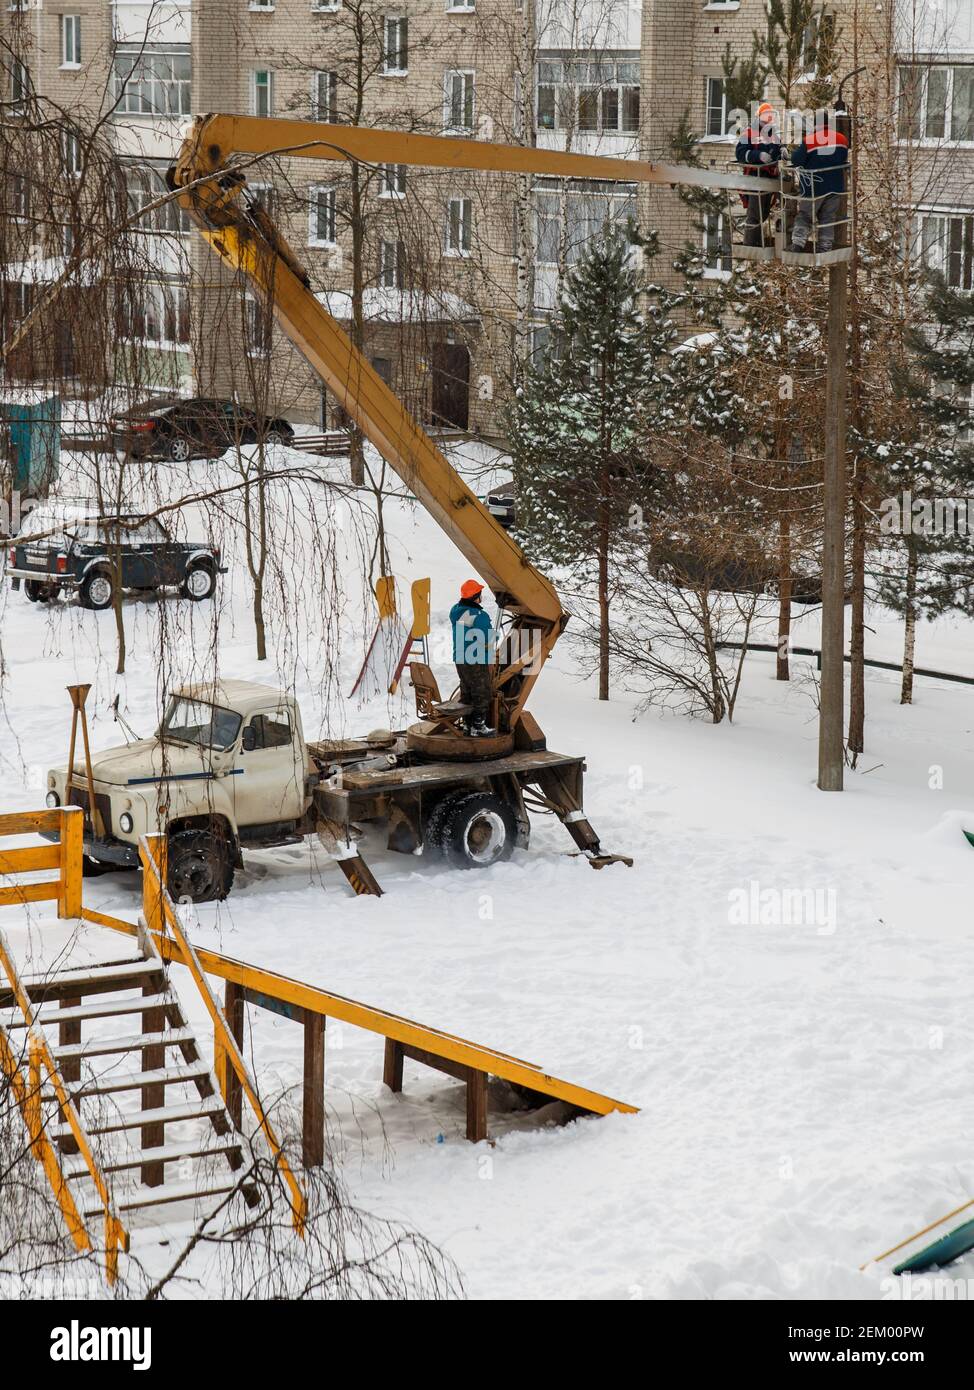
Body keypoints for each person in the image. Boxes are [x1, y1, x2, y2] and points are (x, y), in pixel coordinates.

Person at [786, 114, 850, 254]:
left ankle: (797, 243)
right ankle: (825, 246)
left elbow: (797, 160)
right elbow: (843, 158)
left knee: (805, 216)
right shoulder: (841, 139)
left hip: (813, 188)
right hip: (835, 187)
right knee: (828, 217)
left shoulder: (809, 141)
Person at [450, 579, 496, 736]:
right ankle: (478, 727)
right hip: (475, 659)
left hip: (460, 658)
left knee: (467, 692)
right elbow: (488, 638)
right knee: (482, 693)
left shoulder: (455, 611)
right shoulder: (480, 616)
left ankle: (468, 726)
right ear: (477, 597)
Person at [735, 102, 782, 248]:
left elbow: (777, 149)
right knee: (755, 214)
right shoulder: (748, 133)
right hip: (755, 179)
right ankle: (750, 244)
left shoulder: (772, 135)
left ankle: (757, 240)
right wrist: (758, 155)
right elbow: (740, 153)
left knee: (765, 212)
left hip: (770, 177)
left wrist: (783, 152)